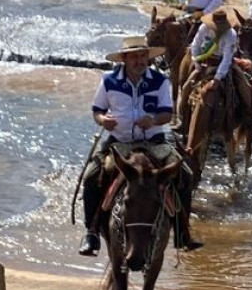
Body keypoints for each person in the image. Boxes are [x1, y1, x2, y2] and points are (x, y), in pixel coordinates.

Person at [77, 36, 201, 257]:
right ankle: (92, 232)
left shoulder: (160, 81)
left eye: (143, 56)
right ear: (125, 59)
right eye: (135, 57)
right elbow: (97, 110)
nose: (140, 61)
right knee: (91, 177)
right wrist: (103, 120)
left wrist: (153, 120)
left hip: (153, 141)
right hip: (119, 142)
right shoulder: (109, 81)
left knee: (185, 174)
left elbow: (166, 114)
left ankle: (183, 232)